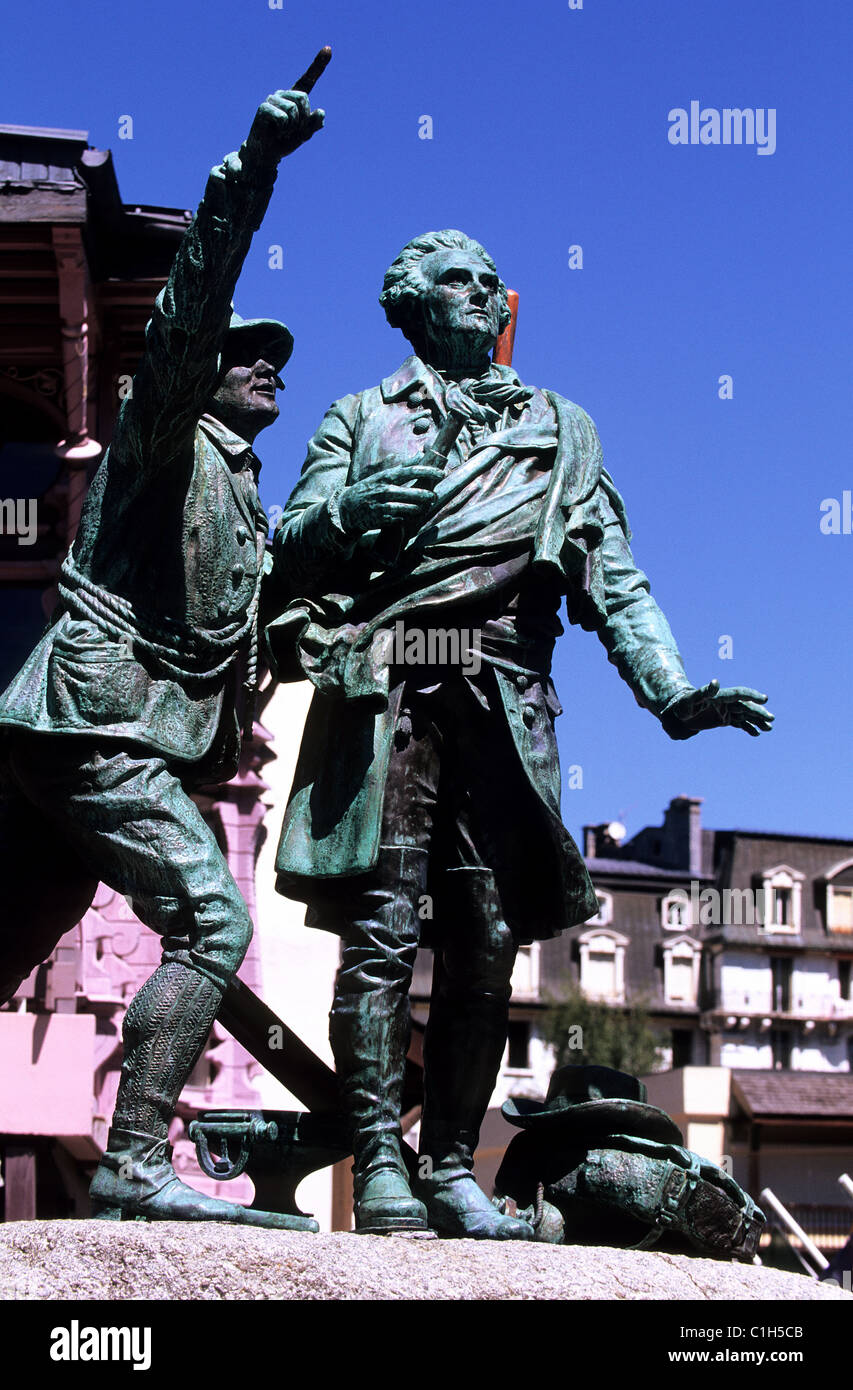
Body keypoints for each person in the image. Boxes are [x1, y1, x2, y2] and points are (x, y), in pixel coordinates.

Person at [267, 228, 774, 1239]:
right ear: (410, 302)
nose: (482, 291)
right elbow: (290, 540)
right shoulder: (362, 416)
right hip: (389, 698)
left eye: (490, 280)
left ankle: (450, 1164)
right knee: (377, 937)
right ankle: (377, 1159)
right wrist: (350, 511)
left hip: (505, 702)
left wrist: (669, 691)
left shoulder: (558, 428)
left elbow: (610, 574)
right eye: (457, 277)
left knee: (485, 941)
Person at [0, 86, 324, 1225]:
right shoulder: (163, 433)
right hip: (97, 722)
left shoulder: (240, 488)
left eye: (278, 357)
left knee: (9, 935)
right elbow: (189, 310)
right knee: (212, 921)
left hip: (100, 739)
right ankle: (139, 1157)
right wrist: (253, 171)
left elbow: (254, 633)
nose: (270, 365)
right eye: (252, 354)